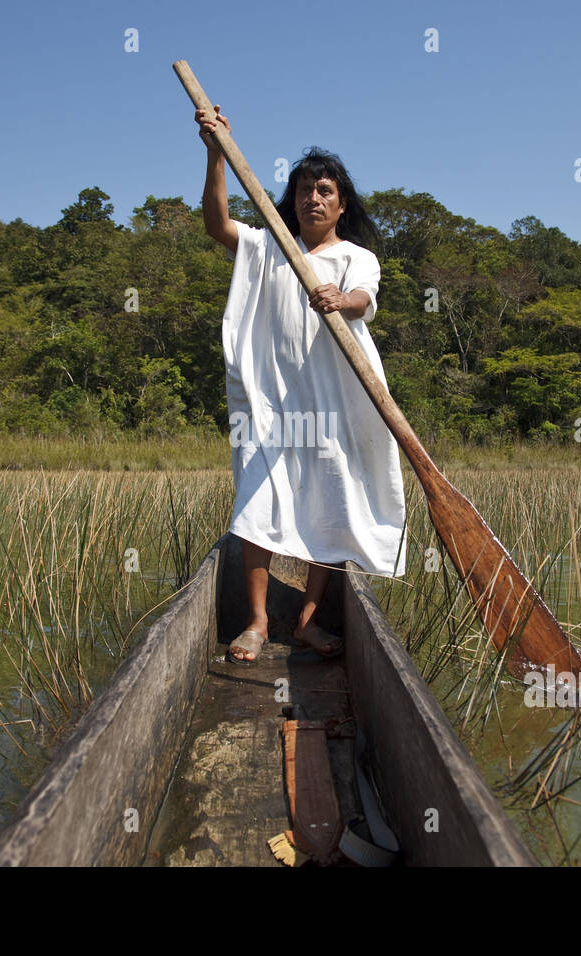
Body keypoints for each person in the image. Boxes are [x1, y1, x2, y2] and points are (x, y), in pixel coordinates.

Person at [195, 104, 407, 664]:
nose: (314, 198)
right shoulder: (269, 248)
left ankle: (310, 620)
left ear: (341, 202)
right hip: (271, 405)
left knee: (333, 503)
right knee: (254, 504)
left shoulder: (354, 257)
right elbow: (217, 225)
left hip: (334, 404)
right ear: (292, 199)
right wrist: (216, 151)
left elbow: (364, 299)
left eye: (326, 190)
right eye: (305, 189)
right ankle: (260, 622)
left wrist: (343, 299)